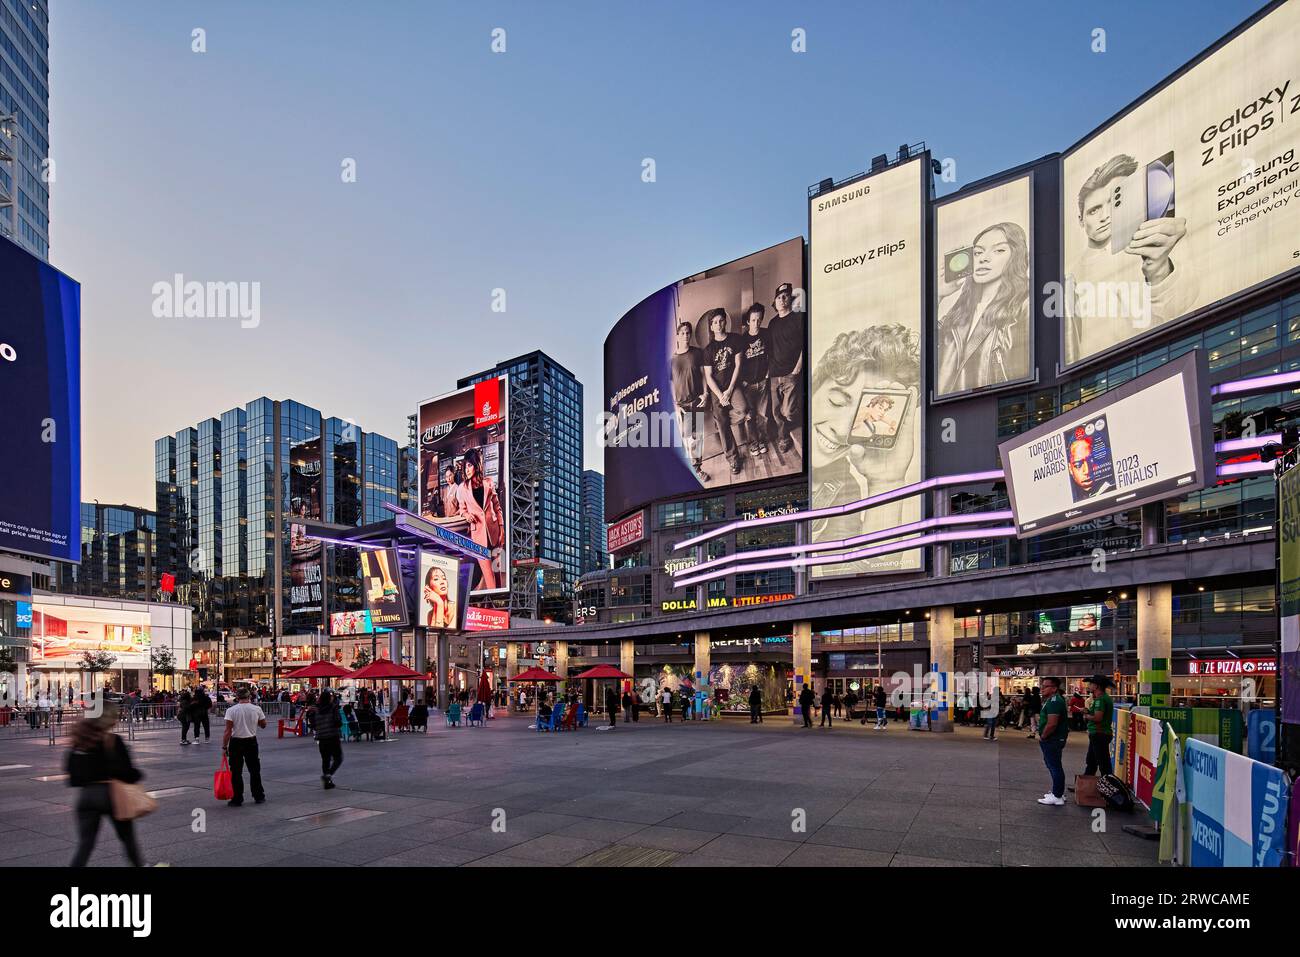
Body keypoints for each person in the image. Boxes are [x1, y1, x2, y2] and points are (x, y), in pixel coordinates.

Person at [1066, 154, 1197, 363]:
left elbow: (1181, 305)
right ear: (1081, 219)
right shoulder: (1069, 274)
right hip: (1093, 378)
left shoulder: (1157, 241)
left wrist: (1159, 271)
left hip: (1154, 360)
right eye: (1094, 210)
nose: (1105, 216)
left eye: (1113, 202)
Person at [808, 325, 920, 558]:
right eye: (836, 401)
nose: (842, 430)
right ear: (813, 387)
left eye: (864, 418)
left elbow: (860, 580)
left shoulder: (843, 491)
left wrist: (886, 483)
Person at [935, 222, 1030, 394]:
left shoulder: (1026, 304)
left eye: (999, 250)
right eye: (977, 252)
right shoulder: (958, 314)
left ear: (1016, 256)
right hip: (951, 411)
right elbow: (918, 365)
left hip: (1005, 407)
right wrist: (938, 295)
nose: (983, 258)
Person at [66, 702, 146, 867]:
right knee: (127, 838)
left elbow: (72, 777)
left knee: (86, 843)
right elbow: (126, 772)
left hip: (86, 796)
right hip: (110, 795)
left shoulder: (79, 742)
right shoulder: (112, 740)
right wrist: (137, 775)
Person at [701, 308, 749, 476]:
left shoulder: (735, 339)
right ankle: (733, 459)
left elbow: (738, 365)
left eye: (721, 321)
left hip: (732, 386)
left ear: (725, 322)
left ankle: (723, 419)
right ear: (711, 326)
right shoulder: (708, 350)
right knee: (722, 425)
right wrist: (721, 395)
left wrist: (729, 390)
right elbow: (708, 376)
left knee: (743, 409)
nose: (718, 324)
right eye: (715, 322)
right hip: (717, 392)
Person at [456, 446, 504, 591]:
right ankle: (494, 606)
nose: (467, 470)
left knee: (497, 572)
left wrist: (501, 528)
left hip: (494, 532)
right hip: (478, 536)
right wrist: (466, 515)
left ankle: (499, 602)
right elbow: (462, 510)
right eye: (465, 466)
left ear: (476, 465)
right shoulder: (462, 488)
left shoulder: (488, 483)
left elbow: (497, 507)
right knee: (488, 574)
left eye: (469, 465)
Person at [766, 282, 805, 454]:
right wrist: (768, 372)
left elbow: (806, 345)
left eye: (785, 296)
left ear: (790, 298)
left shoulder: (799, 318)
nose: (782, 300)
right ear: (775, 302)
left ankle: (796, 427)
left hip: (792, 373)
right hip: (775, 373)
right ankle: (784, 438)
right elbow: (769, 348)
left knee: (788, 411)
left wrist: (797, 369)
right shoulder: (772, 323)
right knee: (776, 412)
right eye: (779, 298)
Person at [671, 320, 710, 482]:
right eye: (682, 333)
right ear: (677, 336)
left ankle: (697, 468)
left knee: (698, 438)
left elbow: (703, 375)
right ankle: (694, 470)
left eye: (688, 333)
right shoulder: (671, 360)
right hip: (682, 406)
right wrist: (675, 405)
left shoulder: (697, 353)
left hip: (696, 402)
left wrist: (706, 393)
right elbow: (669, 384)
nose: (685, 335)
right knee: (690, 439)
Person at [221, 687, 268, 807]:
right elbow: (263, 725)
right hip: (251, 742)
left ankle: (237, 798)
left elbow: (227, 731)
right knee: (254, 770)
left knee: (236, 771)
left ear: (237, 697)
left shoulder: (231, 710)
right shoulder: (256, 709)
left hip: (236, 742)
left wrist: (224, 747)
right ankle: (258, 796)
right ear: (249, 696)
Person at [739, 303, 771, 458]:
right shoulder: (742, 340)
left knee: (763, 414)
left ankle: (762, 440)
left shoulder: (766, 334)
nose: (756, 323)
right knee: (750, 416)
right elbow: (738, 364)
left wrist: (767, 374)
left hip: (763, 381)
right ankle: (753, 443)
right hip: (748, 385)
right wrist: (743, 381)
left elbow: (771, 355)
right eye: (753, 320)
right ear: (748, 322)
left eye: (759, 319)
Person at [1036, 677, 1070, 806]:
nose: (1042, 688)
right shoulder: (1052, 700)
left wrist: (1044, 736)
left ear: (1054, 688)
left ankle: (1057, 795)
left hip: (1052, 739)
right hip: (1054, 738)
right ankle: (1058, 792)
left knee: (1054, 766)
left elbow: (1052, 724)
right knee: (1053, 765)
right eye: (1042, 686)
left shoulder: (1054, 701)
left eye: (1046, 686)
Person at [1083, 675, 1115, 777]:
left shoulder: (1100, 700)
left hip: (1099, 734)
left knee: (1103, 763)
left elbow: (1097, 718)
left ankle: (1109, 787)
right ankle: (1085, 785)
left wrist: (1087, 716)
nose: (1089, 685)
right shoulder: (1104, 698)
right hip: (1099, 733)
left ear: (1096, 686)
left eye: (1091, 684)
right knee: (1091, 761)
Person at [312, 690, 343, 789]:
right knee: (338, 758)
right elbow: (338, 722)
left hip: (321, 738)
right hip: (333, 736)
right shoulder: (333, 708)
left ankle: (327, 782)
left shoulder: (317, 710)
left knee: (325, 760)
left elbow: (314, 724)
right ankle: (328, 775)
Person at [423, 563, 455, 629]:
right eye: (436, 579)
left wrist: (440, 603)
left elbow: (442, 632)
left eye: (444, 578)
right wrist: (438, 603)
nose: (442, 582)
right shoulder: (430, 614)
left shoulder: (455, 608)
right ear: (428, 587)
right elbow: (434, 635)